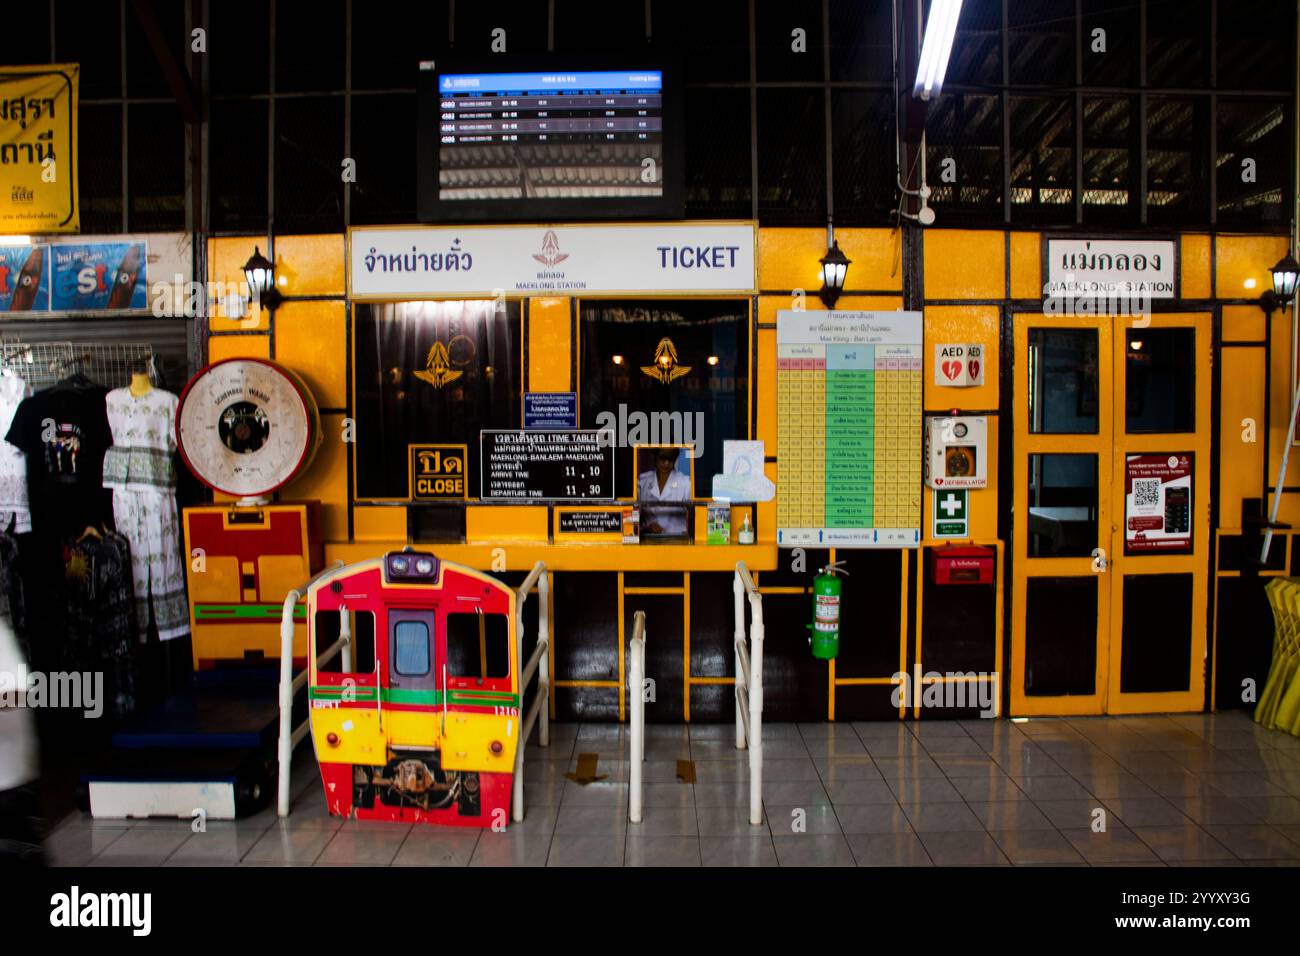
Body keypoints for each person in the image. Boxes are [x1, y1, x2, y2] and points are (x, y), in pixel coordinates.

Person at [637, 448, 691, 535]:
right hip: (648, 541)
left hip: (677, 541)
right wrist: (646, 528)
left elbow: (695, 516)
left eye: (670, 459)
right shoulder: (643, 481)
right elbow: (632, 515)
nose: (666, 463)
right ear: (655, 457)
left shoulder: (685, 483)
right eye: (662, 458)